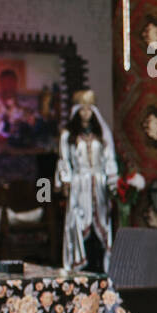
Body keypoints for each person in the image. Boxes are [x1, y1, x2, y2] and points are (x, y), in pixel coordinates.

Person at [55, 90, 118, 272]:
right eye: (82, 110)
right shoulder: (69, 135)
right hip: (79, 184)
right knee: (78, 221)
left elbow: (109, 158)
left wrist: (112, 181)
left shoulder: (100, 133)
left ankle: (102, 266)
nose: (85, 113)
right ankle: (79, 263)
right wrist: (65, 181)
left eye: (89, 109)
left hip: (98, 183)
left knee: (102, 223)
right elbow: (64, 159)